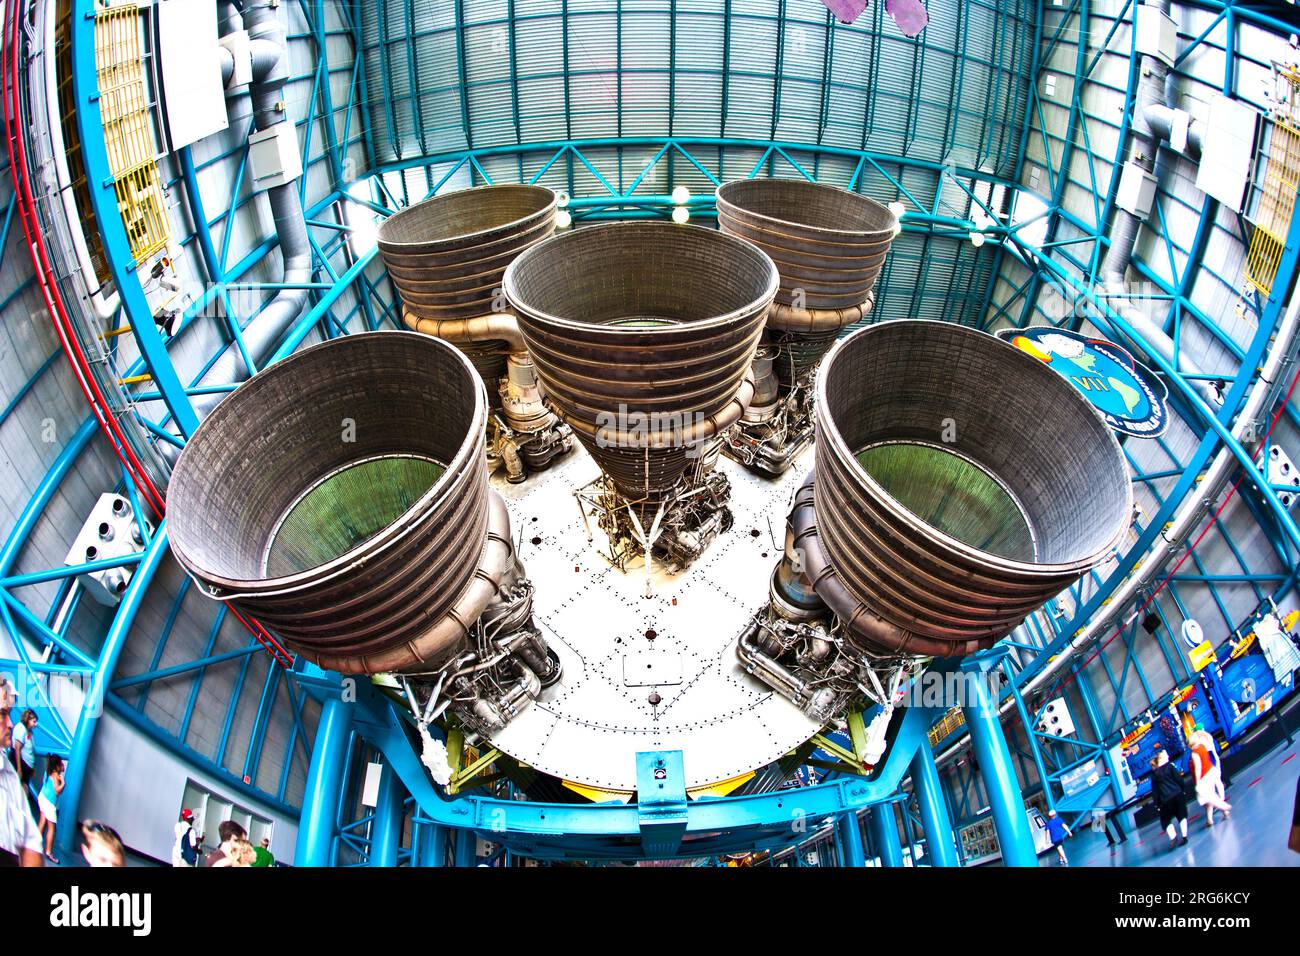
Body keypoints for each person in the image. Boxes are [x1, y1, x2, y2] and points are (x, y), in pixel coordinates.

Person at [0, 678, 42, 866]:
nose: (9, 723)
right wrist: (19, 767)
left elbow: (31, 843)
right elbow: (18, 750)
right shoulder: (19, 730)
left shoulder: (7, 777)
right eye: (2, 713)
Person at [1149, 747, 1189, 848]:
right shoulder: (1171, 767)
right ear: (1162, 758)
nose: (1168, 755)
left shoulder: (1154, 774)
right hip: (1177, 794)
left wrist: (1157, 804)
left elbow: (1155, 791)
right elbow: (1179, 779)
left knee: (1165, 820)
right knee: (1182, 815)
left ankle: (1173, 837)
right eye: (1166, 754)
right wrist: (1183, 789)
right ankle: (1184, 837)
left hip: (1165, 801)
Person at [1190, 729, 1231, 826]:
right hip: (1212, 767)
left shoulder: (1198, 749)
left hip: (1207, 772)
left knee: (1209, 796)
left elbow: (1198, 767)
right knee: (1215, 788)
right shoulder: (1206, 741)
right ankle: (1211, 818)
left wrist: (1198, 781)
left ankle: (1223, 806)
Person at [38, 755, 65, 864]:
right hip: (49, 803)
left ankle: (35, 844)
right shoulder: (55, 775)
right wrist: (63, 783)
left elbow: (43, 782)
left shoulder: (48, 771)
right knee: (52, 829)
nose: (63, 766)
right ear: (57, 765)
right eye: (61, 764)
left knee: (42, 822)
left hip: (42, 797)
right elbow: (57, 791)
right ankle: (49, 853)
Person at [9, 709, 37, 793]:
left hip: (27, 768)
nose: (36, 724)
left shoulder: (30, 732)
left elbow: (31, 751)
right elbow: (17, 749)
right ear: (27, 720)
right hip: (21, 765)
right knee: (19, 791)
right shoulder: (21, 729)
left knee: (24, 792)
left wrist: (32, 768)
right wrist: (19, 769)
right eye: (34, 721)